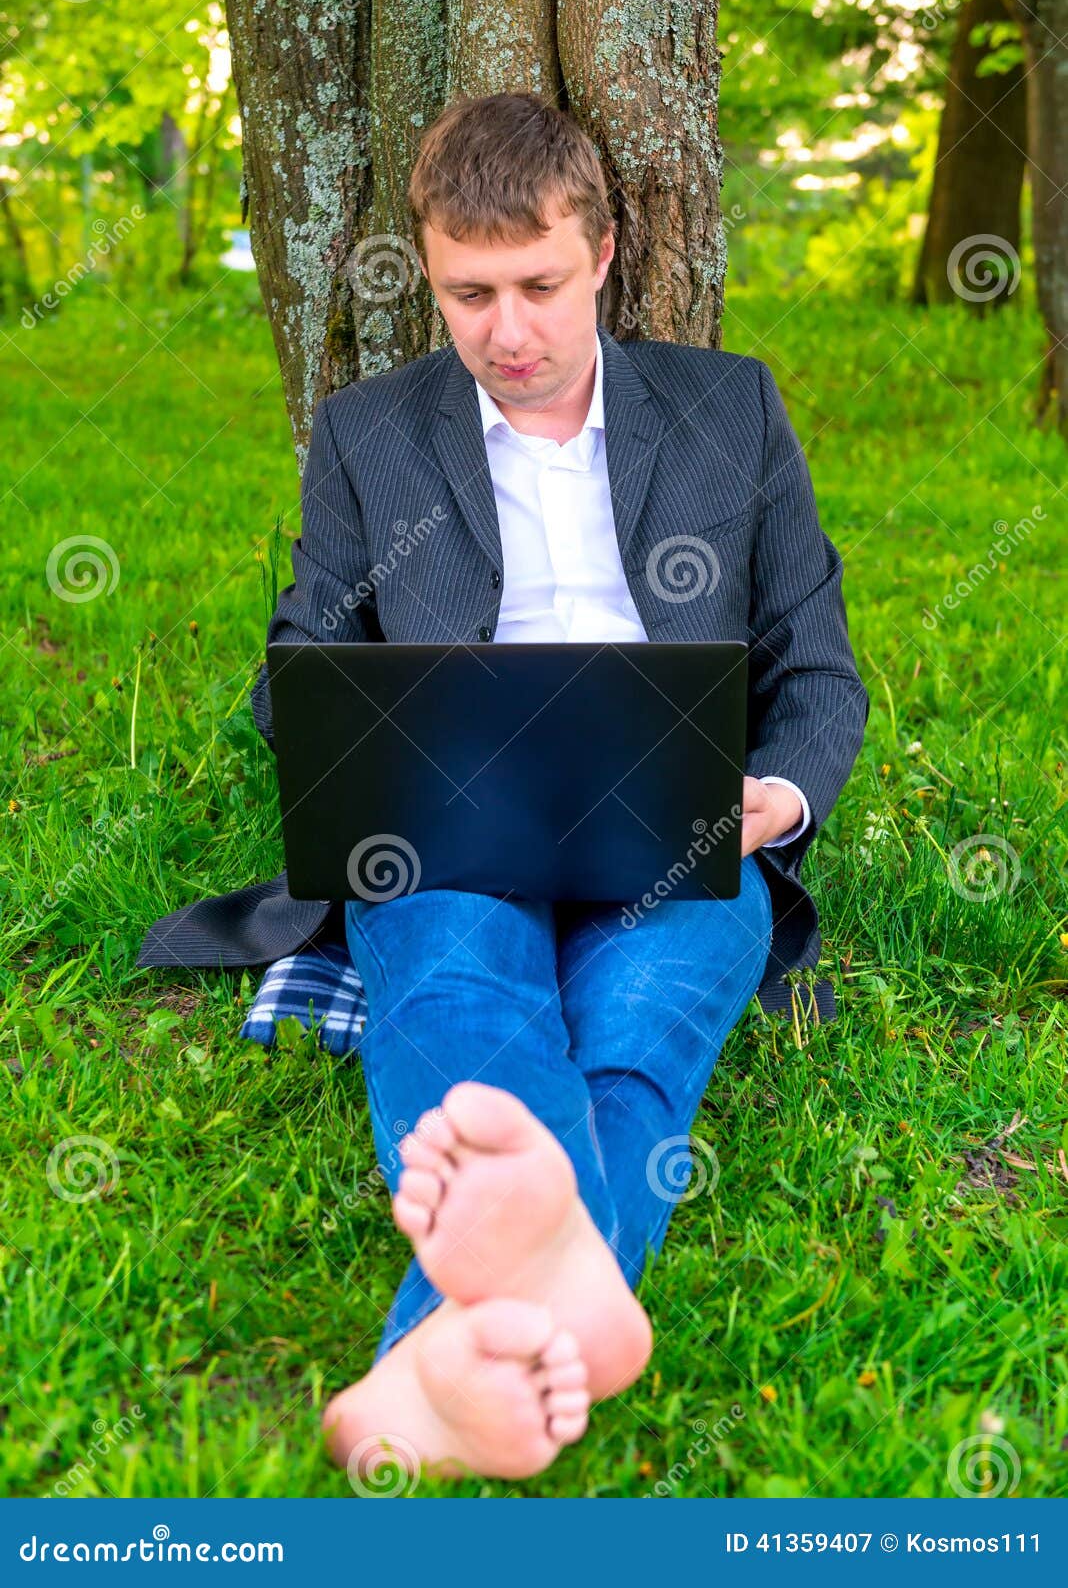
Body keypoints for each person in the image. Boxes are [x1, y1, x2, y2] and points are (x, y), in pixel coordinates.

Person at [136, 91, 869, 1484]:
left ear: (601, 251)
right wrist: (369, 742)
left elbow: (820, 678)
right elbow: (298, 663)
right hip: (443, 828)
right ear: (429, 271)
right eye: (470, 294)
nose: (508, 331)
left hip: (682, 826)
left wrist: (780, 793)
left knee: (645, 1018)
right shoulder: (373, 434)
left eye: (539, 284)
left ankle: (431, 1362)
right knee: (462, 993)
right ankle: (535, 1307)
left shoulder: (730, 413)